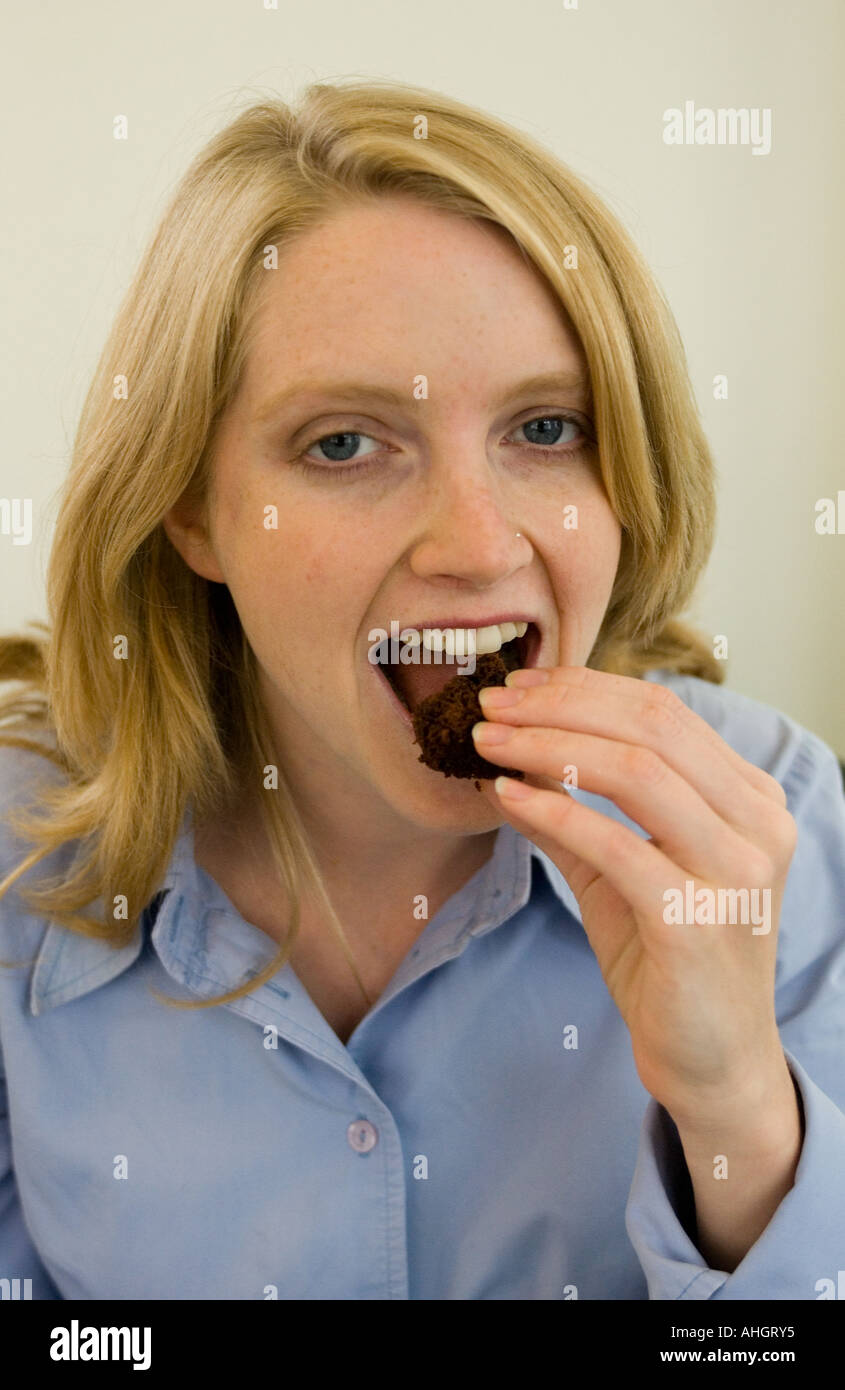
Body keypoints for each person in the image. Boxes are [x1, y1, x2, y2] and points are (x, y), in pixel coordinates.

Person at [0, 78, 843, 1302]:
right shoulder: (18, 859)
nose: (476, 542)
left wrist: (734, 1116)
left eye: (545, 429)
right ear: (190, 507)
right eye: (345, 444)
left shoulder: (785, 825)